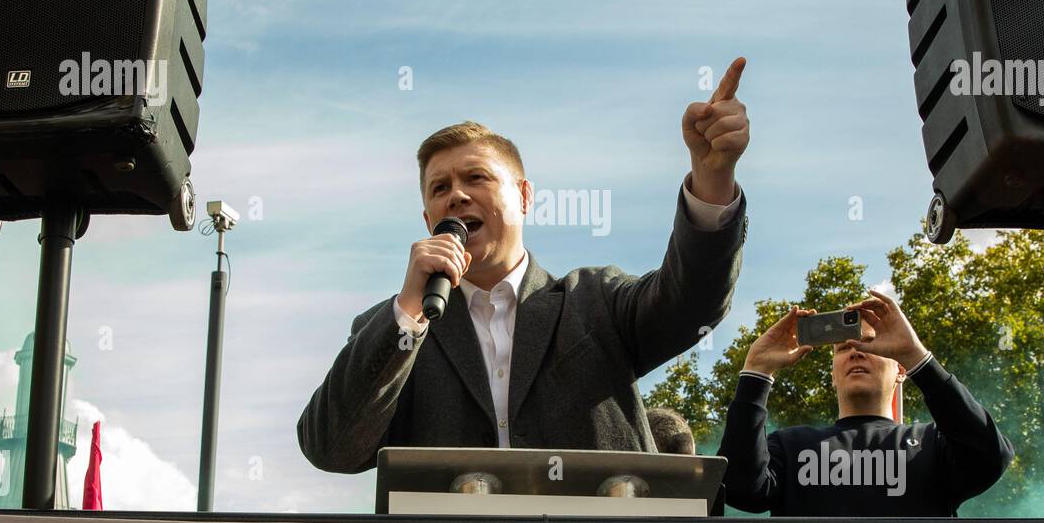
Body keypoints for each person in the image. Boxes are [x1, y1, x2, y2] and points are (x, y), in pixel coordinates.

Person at [299, 58, 753, 474]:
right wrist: (407, 312)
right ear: (428, 220)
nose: (456, 194)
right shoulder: (398, 330)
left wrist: (712, 178)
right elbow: (330, 448)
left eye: (476, 177)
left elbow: (692, 303)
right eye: (439, 188)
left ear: (523, 196)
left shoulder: (595, 302)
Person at [717, 290, 1014, 516]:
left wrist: (917, 357)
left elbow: (989, 458)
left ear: (900, 369)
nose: (855, 352)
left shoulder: (933, 443)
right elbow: (740, 489)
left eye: (867, 344)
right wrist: (756, 372)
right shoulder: (790, 445)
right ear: (833, 376)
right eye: (843, 348)